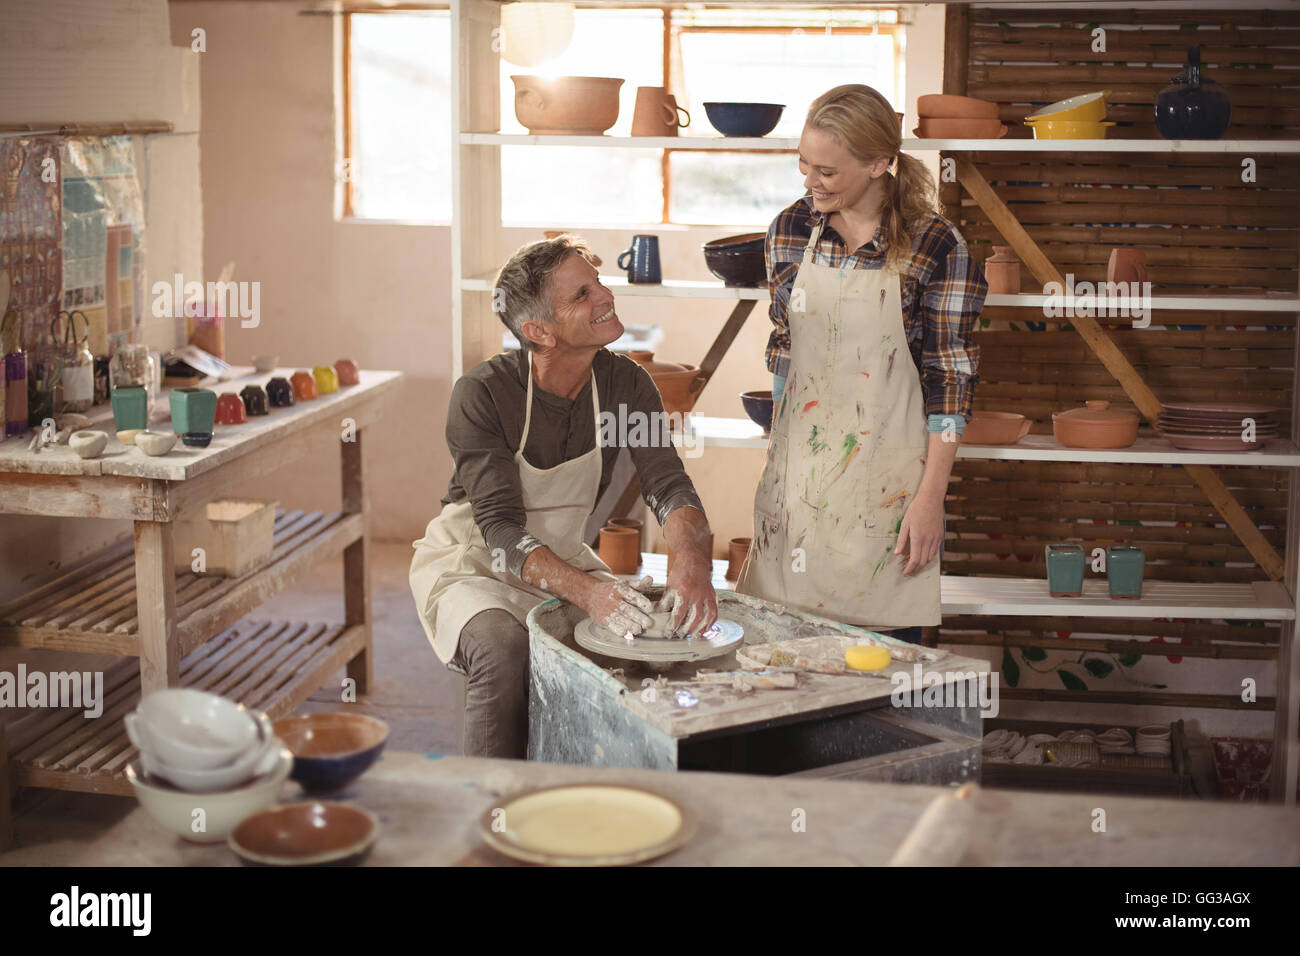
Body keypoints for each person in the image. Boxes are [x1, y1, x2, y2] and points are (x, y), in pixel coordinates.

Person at [410, 235, 718, 758]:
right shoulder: (483, 393)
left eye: (597, 281)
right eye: (581, 294)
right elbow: (503, 532)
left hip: (564, 559)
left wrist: (692, 559)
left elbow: (666, 482)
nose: (604, 295)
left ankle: (584, 791)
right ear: (539, 332)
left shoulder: (626, 383)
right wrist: (591, 595)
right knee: (504, 652)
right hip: (475, 563)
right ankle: (485, 806)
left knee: (634, 648)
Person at [736, 84, 984, 642]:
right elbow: (786, 353)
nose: (809, 182)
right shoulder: (789, 232)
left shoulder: (936, 246)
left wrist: (930, 499)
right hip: (797, 488)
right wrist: (775, 465)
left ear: (879, 163)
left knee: (881, 681)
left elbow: (951, 381)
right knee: (784, 673)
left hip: (889, 494)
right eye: (803, 165)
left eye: (827, 171)